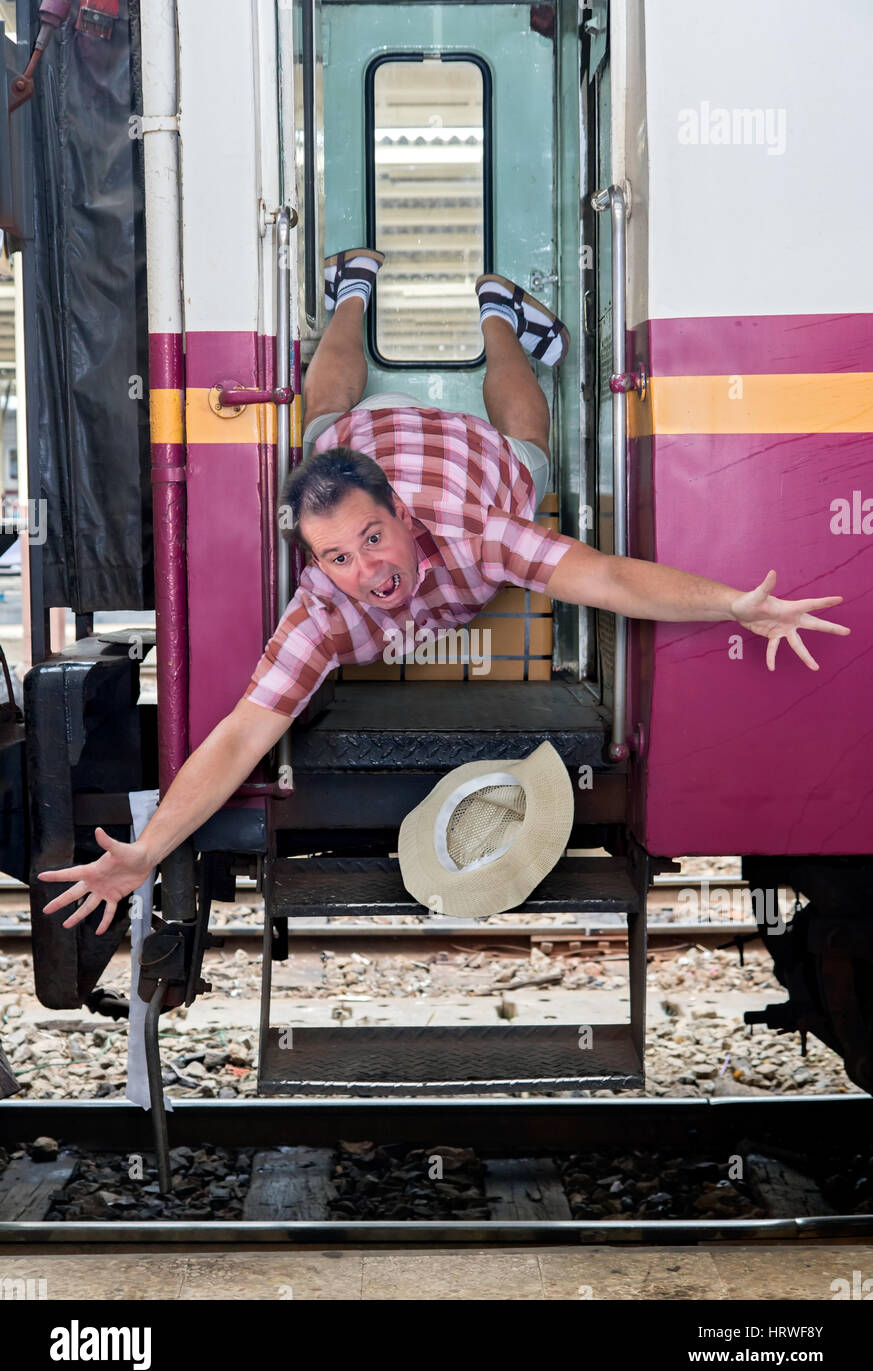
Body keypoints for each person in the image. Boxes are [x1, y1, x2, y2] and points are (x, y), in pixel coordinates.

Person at [39, 251, 850, 934]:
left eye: (371, 541)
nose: (366, 571)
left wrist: (735, 603)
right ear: (313, 564)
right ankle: (356, 286)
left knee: (530, 444)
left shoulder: (475, 527)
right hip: (364, 436)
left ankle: (494, 313)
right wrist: (149, 850)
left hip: (474, 453)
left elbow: (602, 576)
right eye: (336, 559)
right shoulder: (319, 611)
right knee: (322, 419)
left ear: (398, 512)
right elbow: (240, 736)